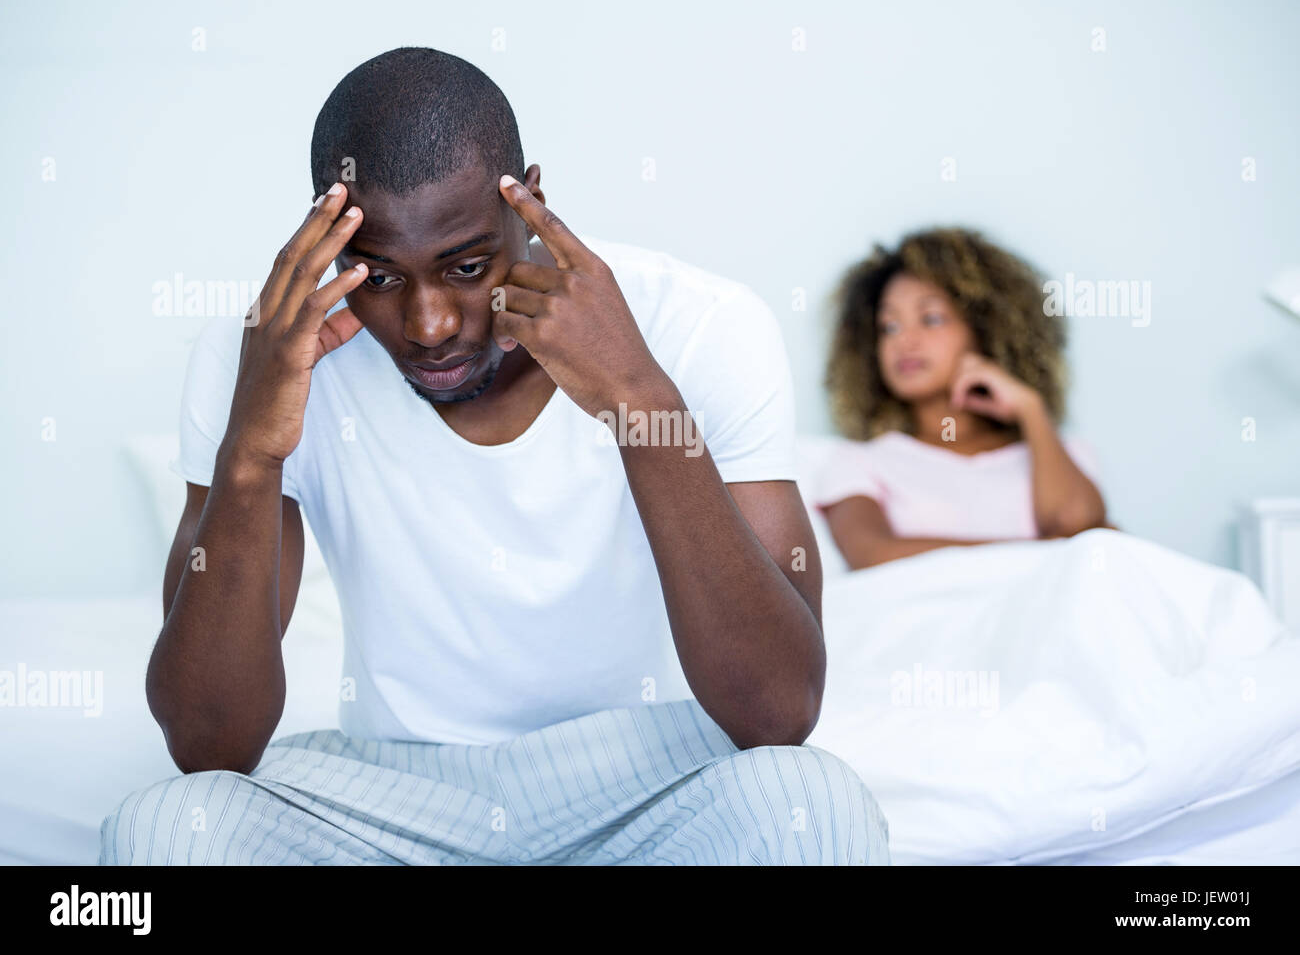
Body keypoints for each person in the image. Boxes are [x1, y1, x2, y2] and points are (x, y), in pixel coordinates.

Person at [98, 47, 890, 865]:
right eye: (376, 276)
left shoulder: (701, 322)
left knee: (811, 804)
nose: (429, 323)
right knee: (167, 830)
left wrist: (641, 401)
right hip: (392, 795)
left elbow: (778, 711)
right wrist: (250, 455)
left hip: (648, 771)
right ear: (324, 240)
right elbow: (208, 740)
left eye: (468, 267)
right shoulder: (268, 356)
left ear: (531, 200)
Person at [815, 228, 1111, 570]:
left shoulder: (1062, 455)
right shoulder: (858, 462)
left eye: (931, 319)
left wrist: (1031, 410)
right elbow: (874, 554)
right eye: (889, 326)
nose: (905, 341)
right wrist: (1051, 549)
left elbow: (1080, 532)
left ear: (987, 331)